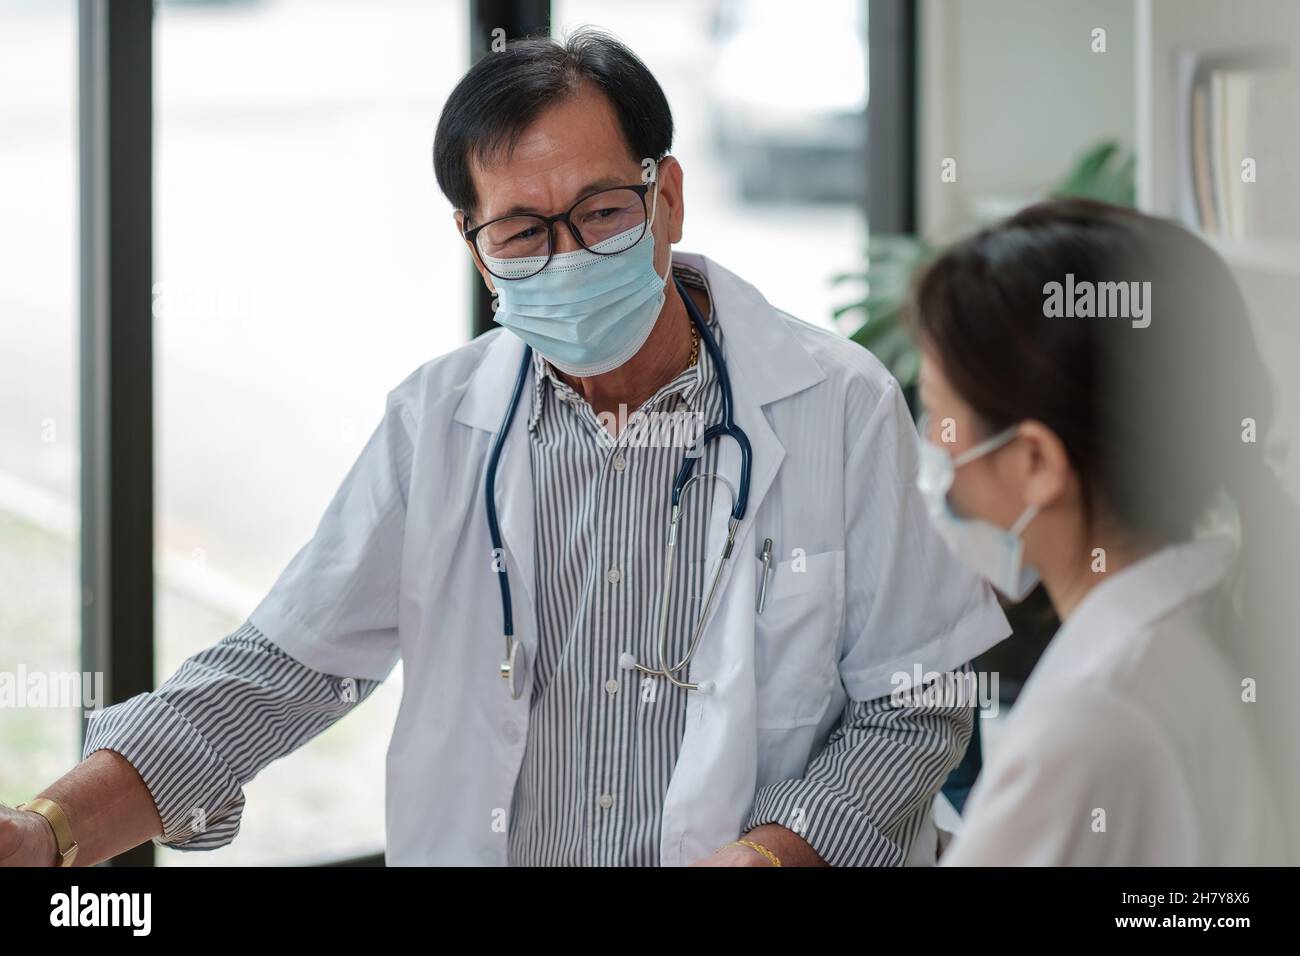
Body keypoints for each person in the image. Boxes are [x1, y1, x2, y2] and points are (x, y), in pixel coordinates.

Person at [0, 29, 1008, 868]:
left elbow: (916, 706)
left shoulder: (834, 404)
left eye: (603, 211)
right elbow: (280, 669)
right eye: (522, 231)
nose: (567, 256)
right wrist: (48, 829)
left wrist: (773, 853)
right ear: (473, 243)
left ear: (667, 200)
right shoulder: (438, 422)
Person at [911, 198, 1299, 865]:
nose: (931, 456)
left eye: (941, 422)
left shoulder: (1090, 722)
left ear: (1036, 463)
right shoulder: (1212, 613)